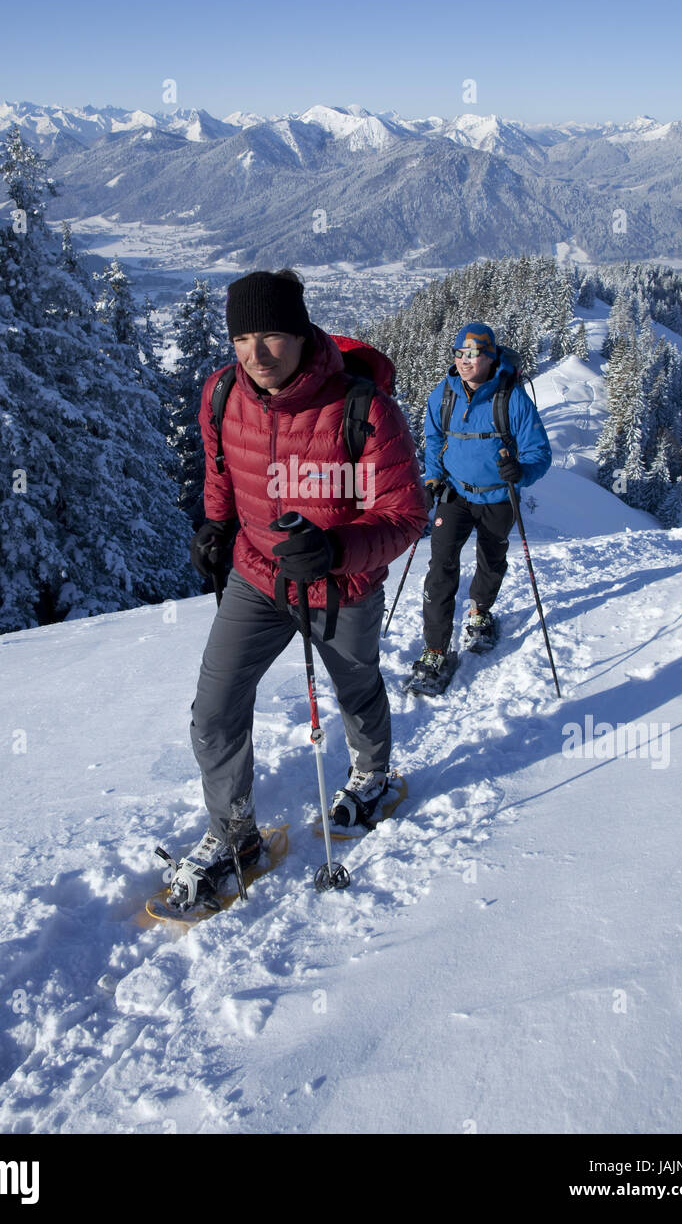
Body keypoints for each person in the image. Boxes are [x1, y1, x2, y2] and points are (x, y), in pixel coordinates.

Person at [167, 268, 426, 908]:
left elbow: (405, 515)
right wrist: (217, 524)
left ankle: (369, 773)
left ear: (304, 333)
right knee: (215, 707)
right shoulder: (223, 393)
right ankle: (235, 839)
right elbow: (222, 469)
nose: (258, 353)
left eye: (274, 335)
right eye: (244, 337)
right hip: (258, 577)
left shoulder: (363, 408)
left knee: (356, 684)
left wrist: (335, 549)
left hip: (343, 585)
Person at [415, 322, 551, 680]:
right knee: (440, 568)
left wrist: (520, 472)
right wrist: (432, 477)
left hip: (498, 497)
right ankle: (435, 650)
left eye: (473, 354)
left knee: (491, 560)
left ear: (490, 357)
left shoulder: (511, 399)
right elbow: (433, 438)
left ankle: (479, 611)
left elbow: (540, 452)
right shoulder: (443, 394)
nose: (464, 361)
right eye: (459, 353)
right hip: (455, 493)